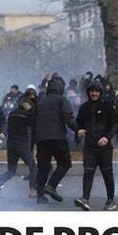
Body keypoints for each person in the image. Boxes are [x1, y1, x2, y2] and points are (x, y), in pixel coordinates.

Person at [74, 81, 117, 211]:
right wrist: (78, 131)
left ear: (101, 92)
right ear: (88, 93)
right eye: (92, 91)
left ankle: (110, 200)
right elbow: (78, 123)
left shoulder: (107, 106)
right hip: (89, 146)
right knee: (88, 172)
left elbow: (115, 125)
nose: (94, 94)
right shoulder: (84, 107)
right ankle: (85, 199)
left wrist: (107, 138)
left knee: (107, 173)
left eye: (97, 91)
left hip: (104, 147)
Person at [33, 75, 76, 203]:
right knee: (64, 163)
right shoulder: (61, 100)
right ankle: (51, 185)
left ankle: (40, 196)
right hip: (57, 137)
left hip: (41, 139)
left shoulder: (40, 102)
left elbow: (34, 121)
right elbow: (68, 117)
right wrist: (77, 129)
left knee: (43, 168)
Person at [1, 88, 37, 196]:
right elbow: (33, 124)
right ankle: (32, 190)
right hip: (22, 145)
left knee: (11, 171)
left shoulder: (12, 113)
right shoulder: (27, 115)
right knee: (33, 167)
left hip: (11, 145)